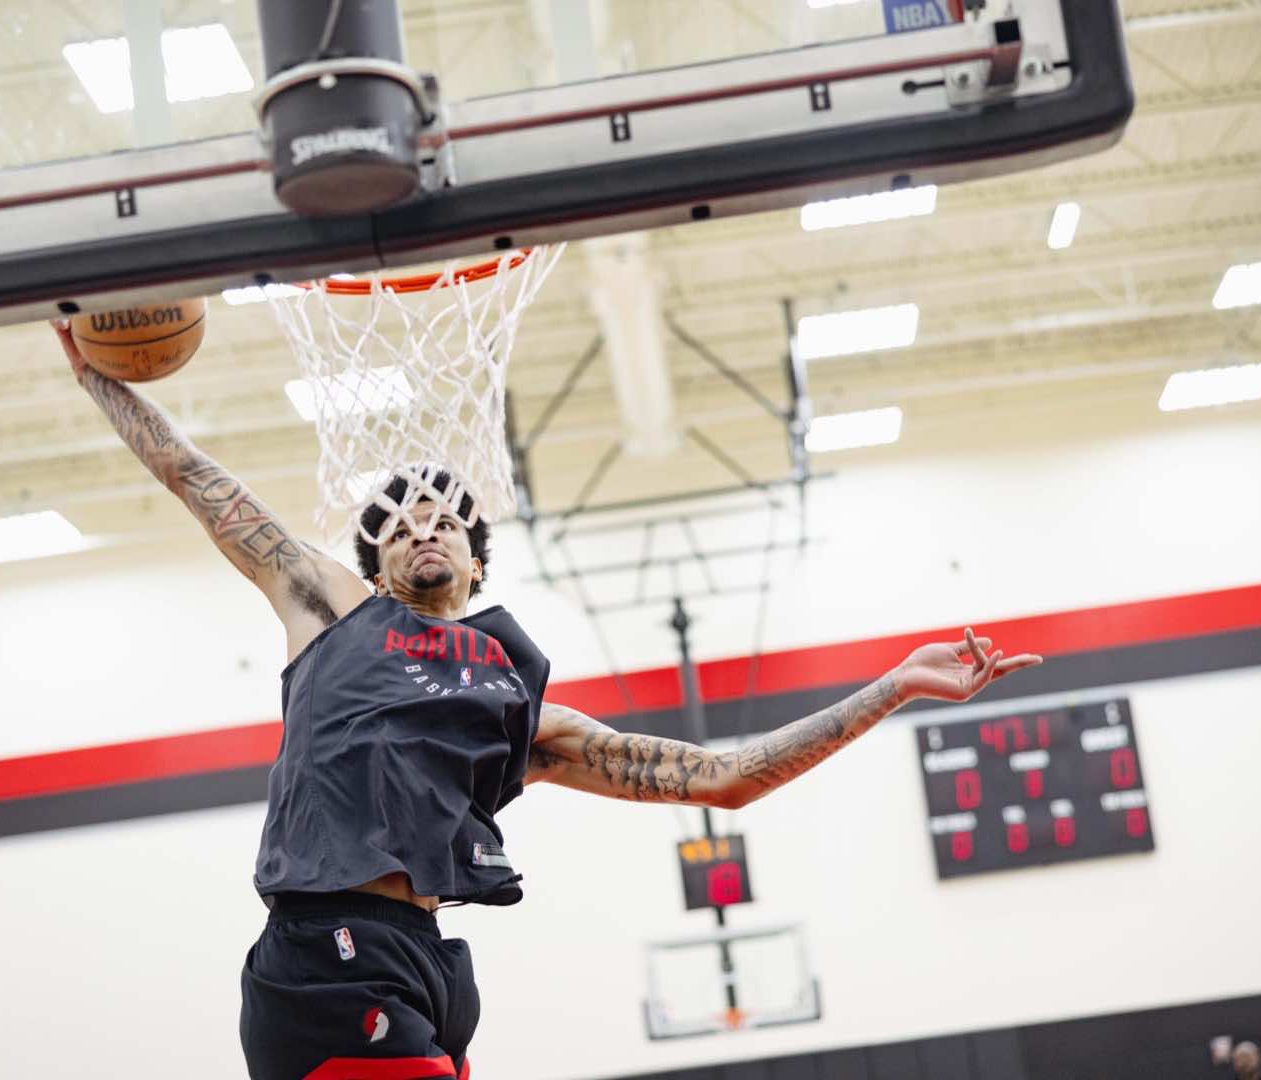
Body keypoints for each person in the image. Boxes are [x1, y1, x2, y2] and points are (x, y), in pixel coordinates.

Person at [54, 322, 1045, 1080]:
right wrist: (98, 377)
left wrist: (896, 687)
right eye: (403, 524)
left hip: (428, 963)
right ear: (380, 559)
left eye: (446, 516)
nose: (425, 526)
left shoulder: (518, 713)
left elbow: (727, 778)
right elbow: (194, 477)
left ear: (478, 559)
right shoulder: (327, 609)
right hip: (321, 954)